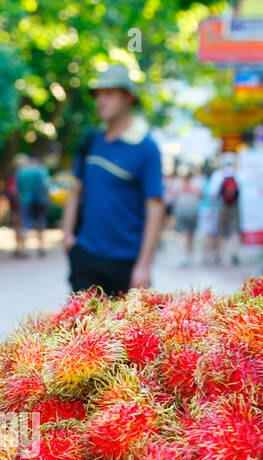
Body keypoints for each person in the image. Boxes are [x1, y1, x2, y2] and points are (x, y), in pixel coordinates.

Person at [61, 62, 165, 296]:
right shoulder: (90, 141)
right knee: (82, 330)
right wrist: (67, 237)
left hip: (126, 261)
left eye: (109, 94)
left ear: (128, 98)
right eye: (98, 94)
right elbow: (75, 192)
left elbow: (155, 207)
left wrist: (144, 264)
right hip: (85, 255)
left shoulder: (146, 147)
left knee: (122, 332)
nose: (101, 100)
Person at [207, 152, 241, 266]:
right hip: (235, 206)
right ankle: (234, 254)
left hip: (222, 205)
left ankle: (219, 255)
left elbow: (213, 193)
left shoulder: (218, 174)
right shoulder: (237, 174)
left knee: (221, 231)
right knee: (234, 230)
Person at [15, 155, 51, 257]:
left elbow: (18, 191)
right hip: (39, 202)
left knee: (24, 225)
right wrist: (46, 201)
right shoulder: (40, 170)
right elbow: (45, 186)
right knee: (40, 224)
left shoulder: (21, 173)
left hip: (25, 201)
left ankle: (22, 249)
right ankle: (41, 248)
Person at [171, 167, 202, 266]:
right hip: (193, 209)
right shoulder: (196, 183)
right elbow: (201, 195)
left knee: (184, 234)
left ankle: (185, 256)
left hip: (182, 208)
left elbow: (171, 197)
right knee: (191, 233)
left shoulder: (178, 183)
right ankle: (189, 254)